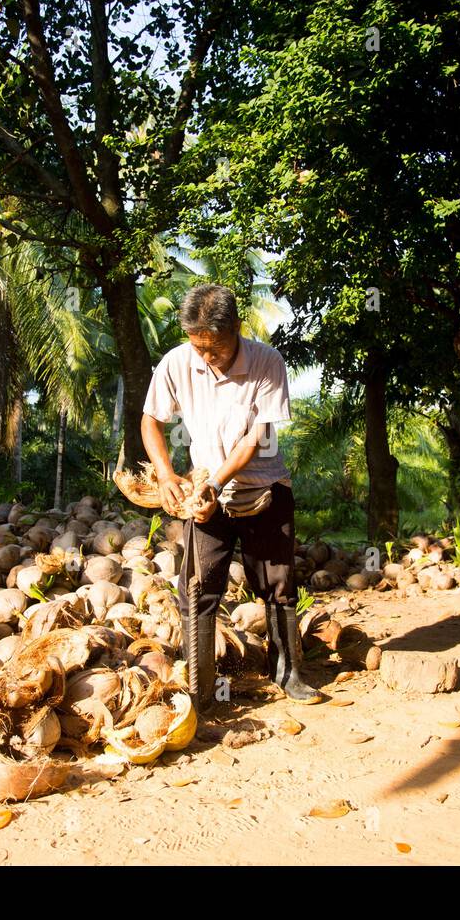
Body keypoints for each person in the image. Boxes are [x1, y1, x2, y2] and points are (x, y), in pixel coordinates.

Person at [140, 284, 320, 708]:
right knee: (198, 588)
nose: (206, 356)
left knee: (277, 587)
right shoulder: (176, 363)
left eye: (215, 347)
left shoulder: (267, 362)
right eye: (197, 346)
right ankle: (200, 691)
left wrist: (214, 484)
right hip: (205, 493)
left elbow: (255, 439)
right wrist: (167, 475)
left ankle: (288, 675)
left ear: (237, 329)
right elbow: (151, 421)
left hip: (262, 491)